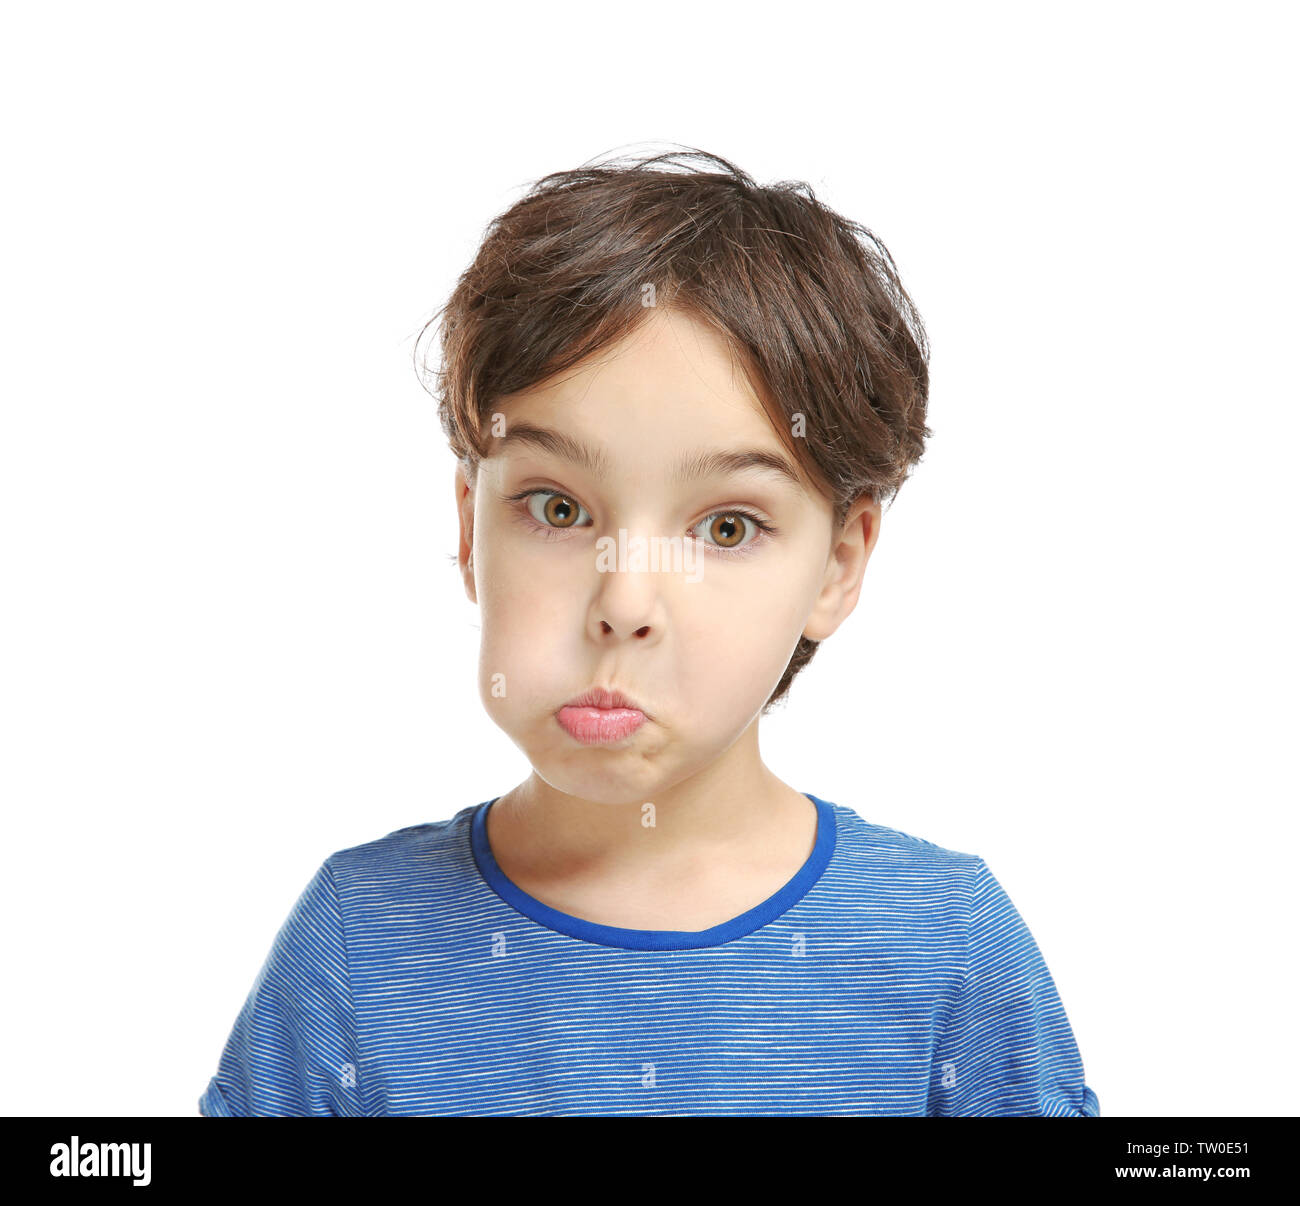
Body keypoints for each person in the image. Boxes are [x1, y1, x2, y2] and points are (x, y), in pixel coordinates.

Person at [199, 146, 1099, 1116]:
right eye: (555, 509)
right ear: (468, 528)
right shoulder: (355, 945)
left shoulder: (948, 953)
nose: (625, 602)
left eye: (725, 528)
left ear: (838, 564)